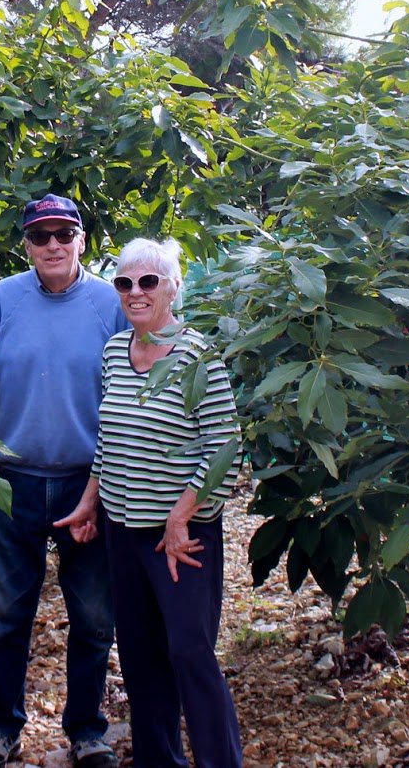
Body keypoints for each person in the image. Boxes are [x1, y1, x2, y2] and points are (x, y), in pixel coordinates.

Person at [0, 194, 128, 768]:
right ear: (26, 245)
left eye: (64, 234)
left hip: (88, 485)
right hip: (11, 482)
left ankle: (88, 731)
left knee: (93, 615)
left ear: (82, 241)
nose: (52, 245)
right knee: (5, 612)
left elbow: (136, 381)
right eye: (40, 236)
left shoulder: (110, 303)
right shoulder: (2, 300)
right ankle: (0, 730)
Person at [55, 236, 243, 768]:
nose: (135, 292)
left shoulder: (197, 356)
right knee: (139, 657)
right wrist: (90, 502)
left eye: (148, 281)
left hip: (180, 537)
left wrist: (181, 517)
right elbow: (109, 441)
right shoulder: (116, 351)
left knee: (189, 652)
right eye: (124, 282)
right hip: (122, 532)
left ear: (172, 288)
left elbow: (225, 446)